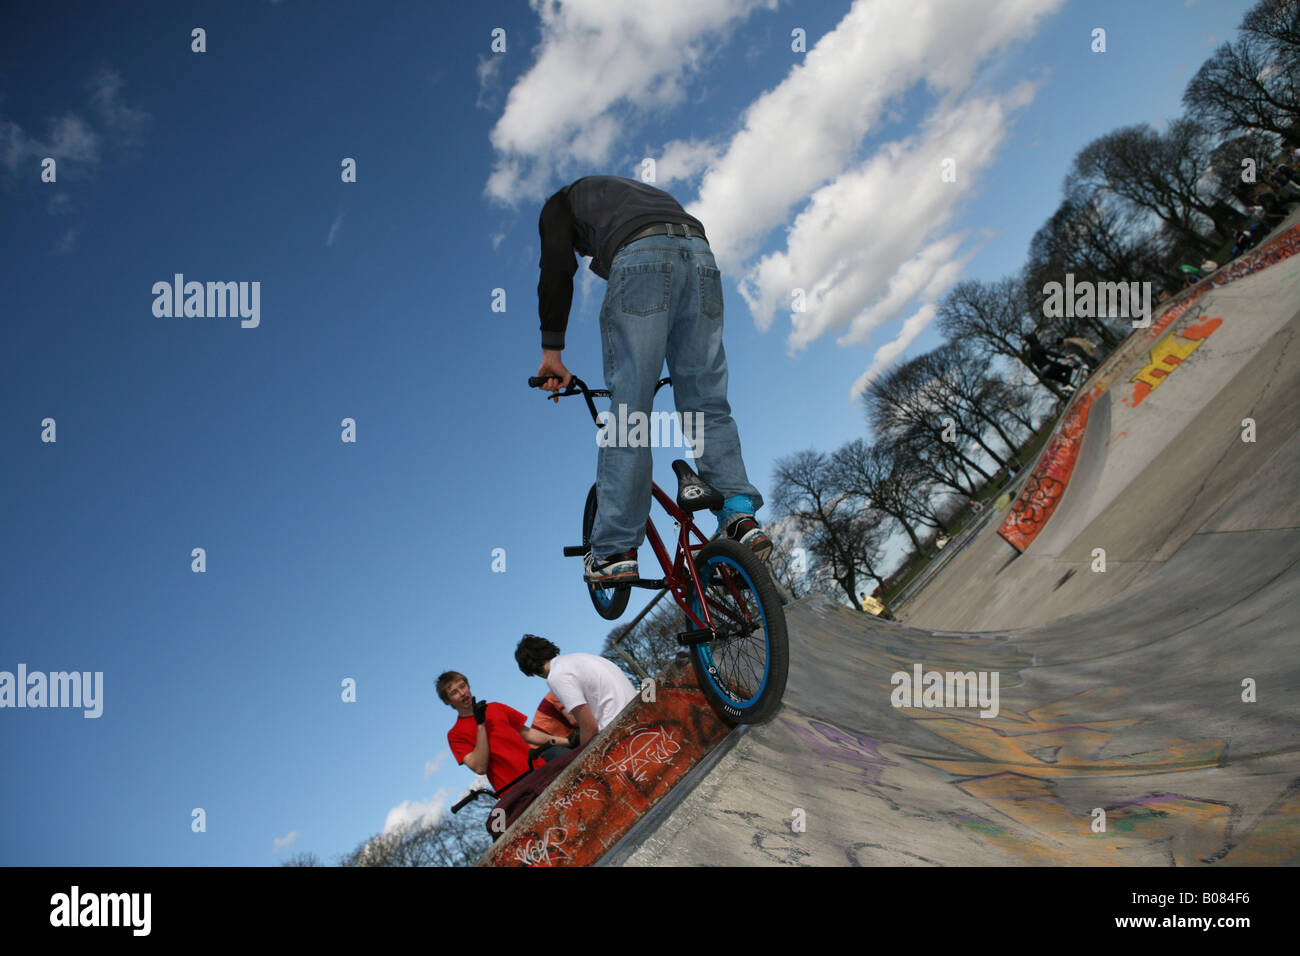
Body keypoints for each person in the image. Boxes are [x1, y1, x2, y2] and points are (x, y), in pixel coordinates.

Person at [533, 175, 769, 586]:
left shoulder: (559, 203)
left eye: (583, 247)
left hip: (641, 254)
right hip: (700, 256)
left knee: (630, 413)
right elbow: (664, 251)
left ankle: (614, 549)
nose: (584, 251)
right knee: (706, 402)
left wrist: (552, 352)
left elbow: (557, 265)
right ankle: (738, 517)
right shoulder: (628, 194)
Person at [436, 671, 571, 793]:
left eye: (462, 686)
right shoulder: (455, 734)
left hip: (542, 772)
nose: (462, 693)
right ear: (448, 701)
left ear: (468, 686)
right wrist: (480, 725)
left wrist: (568, 741)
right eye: (454, 692)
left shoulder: (495, 707)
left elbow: (528, 734)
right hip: (514, 792)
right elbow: (480, 767)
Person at [514, 635, 637, 747]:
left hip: (619, 730)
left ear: (530, 669)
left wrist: (583, 756)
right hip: (637, 712)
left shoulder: (556, 675)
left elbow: (588, 725)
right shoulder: (580, 658)